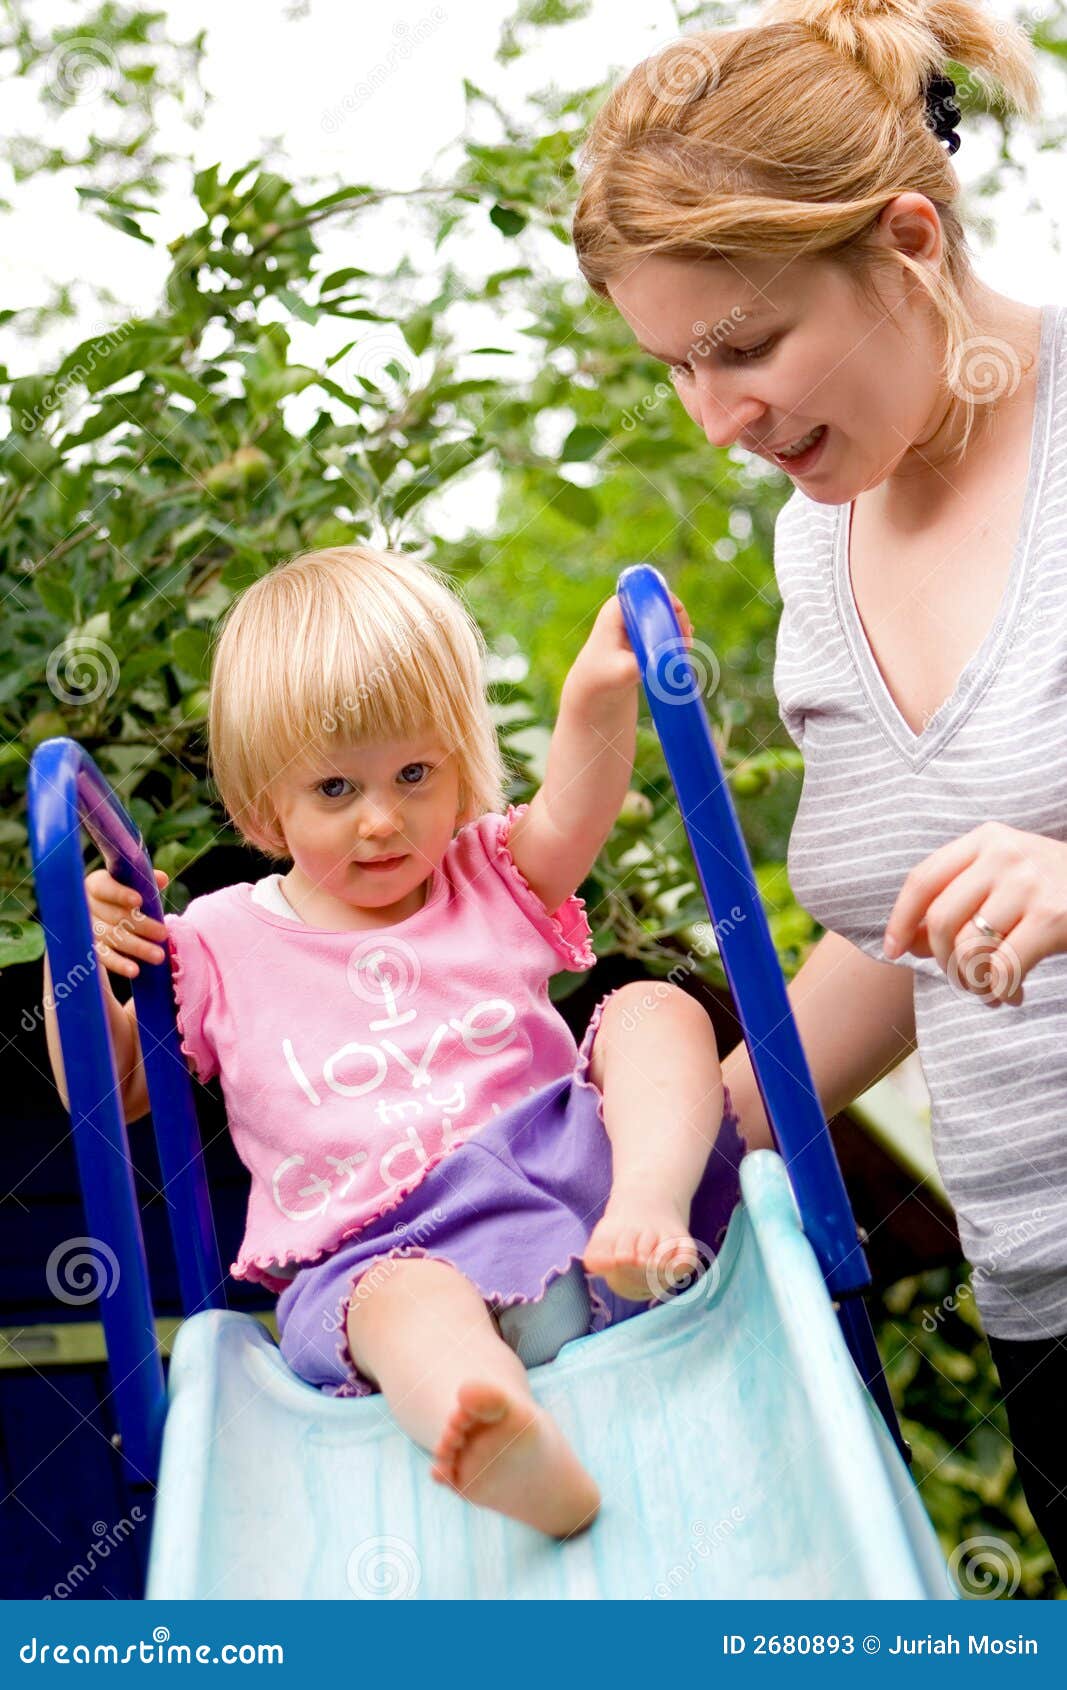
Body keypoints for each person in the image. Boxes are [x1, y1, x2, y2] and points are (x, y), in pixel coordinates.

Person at [572, 0, 1066, 1579]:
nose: (716, 418)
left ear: (905, 238)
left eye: (743, 345)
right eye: (674, 366)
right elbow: (905, 935)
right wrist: (707, 1124)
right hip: (1039, 1301)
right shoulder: (817, 536)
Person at [42, 544, 745, 1542]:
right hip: (383, 1242)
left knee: (649, 1008)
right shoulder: (218, 943)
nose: (381, 820)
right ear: (262, 806)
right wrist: (71, 951)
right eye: (335, 789)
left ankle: (649, 1211)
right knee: (397, 1307)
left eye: (414, 773)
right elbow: (107, 1095)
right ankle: (495, 1425)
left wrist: (596, 692)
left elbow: (576, 807)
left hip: (568, 1191)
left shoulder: (484, 874)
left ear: (458, 763)